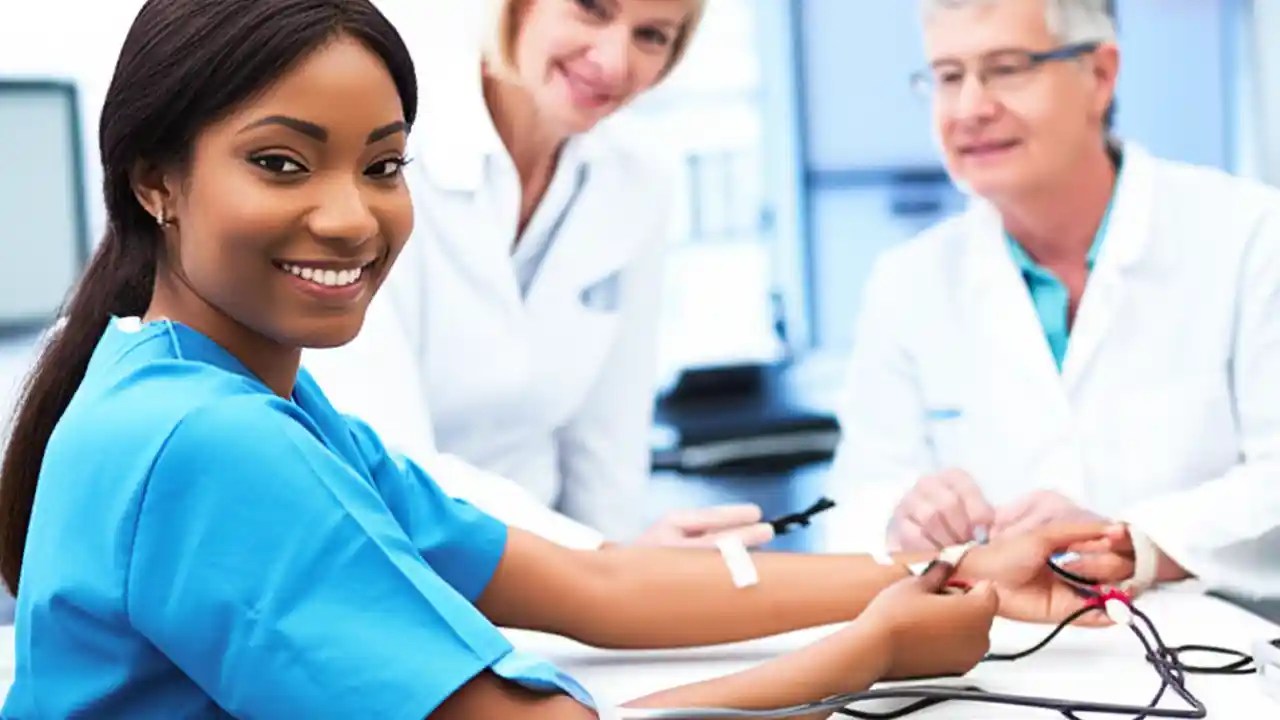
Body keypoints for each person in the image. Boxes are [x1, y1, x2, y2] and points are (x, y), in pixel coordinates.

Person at [0, 1, 1132, 716]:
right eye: (282, 165)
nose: (350, 219)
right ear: (154, 178)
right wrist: (861, 656)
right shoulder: (212, 444)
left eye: (383, 167)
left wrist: (950, 573)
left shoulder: (248, 401)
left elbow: (598, 582)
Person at [827, 0, 1280, 598]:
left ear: (1100, 76)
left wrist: (1130, 542)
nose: (970, 109)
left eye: (1008, 68)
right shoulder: (907, 281)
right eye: (948, 76)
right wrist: (901, 517)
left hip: (1225, 652)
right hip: (997, 662)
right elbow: (854, 501)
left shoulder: (1250, 236)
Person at [302, 0, 771, 551]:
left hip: (552, 578)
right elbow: (386, 459)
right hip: (383, 558)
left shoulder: (639, 177)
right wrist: (601, 564)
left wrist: (632, 588)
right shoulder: (390, 149)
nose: (615, 62)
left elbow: (607, 445)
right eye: (592, 10)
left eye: (651, 36)